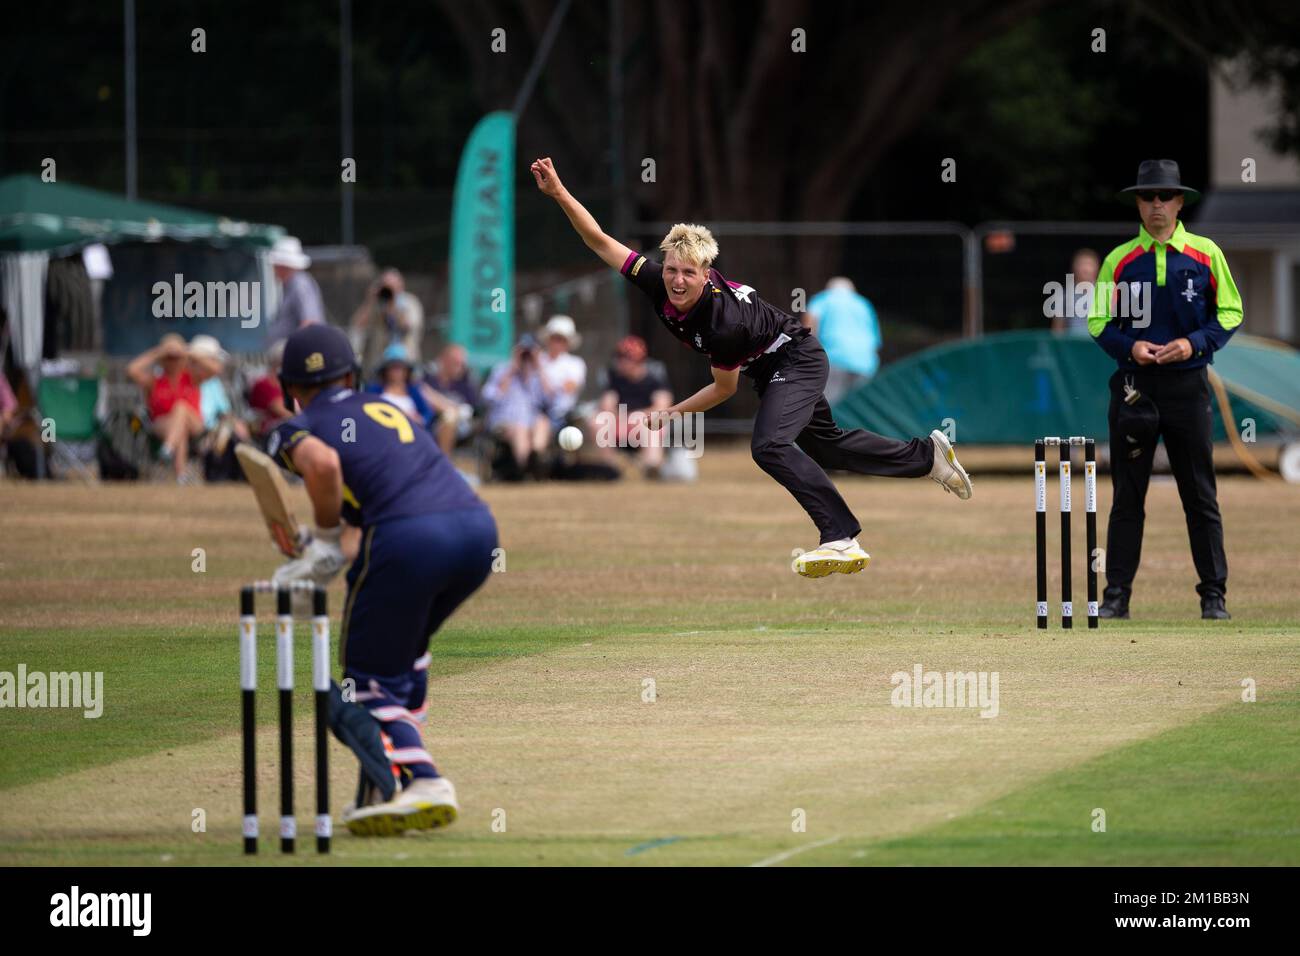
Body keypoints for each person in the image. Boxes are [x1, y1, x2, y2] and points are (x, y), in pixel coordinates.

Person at [532, 156, 972, 576]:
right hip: (773, 367)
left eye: (688, 273)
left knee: (768, 446)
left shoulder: (726, 324)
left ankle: (840, 535)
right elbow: (599, 240)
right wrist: (559, 193)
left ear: (707, 273)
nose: (677, 281)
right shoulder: (657, 281)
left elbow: (724, 389)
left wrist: (668, 414)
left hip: (796, 358)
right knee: (828, 447)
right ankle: (927, 459)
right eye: (670, 271)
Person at [268, 324, 498, 834]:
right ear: (351, 374)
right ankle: (382, 786)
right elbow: (371, 511)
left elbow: (323, 466)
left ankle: (423, 779)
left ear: (289, 390)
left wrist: (324, 538)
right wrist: (324, 549)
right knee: (406, 651)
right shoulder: (388, 409)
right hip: (476, 531)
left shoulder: (292, 427)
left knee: (363, 683)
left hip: (409, 538)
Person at [1089, 159, 1242, 620]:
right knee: (1127, 496)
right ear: (1138, 204)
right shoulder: (1119, 260)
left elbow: (1231, 312)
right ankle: (1117, 596)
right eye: (1147, 197)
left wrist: (1191, 344)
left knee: (1199, 494)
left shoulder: (1205, 252)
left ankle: (1213, 597)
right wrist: (1130, 346)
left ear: (1179, 203)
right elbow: (1097, 321)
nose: (1156, 205)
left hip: (1189, 386)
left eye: (1165, 197)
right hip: (1135, 388)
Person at [126, 333, 204, 483]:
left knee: (181, 407)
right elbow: (131, 370)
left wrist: (186, 351)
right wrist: (158, 352)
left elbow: (216, 369)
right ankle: (181, 476)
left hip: (194, 422)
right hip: (164, 424)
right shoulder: (154, 381)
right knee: (179, 428)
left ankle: (167, 449)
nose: (173, 362)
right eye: (169, 358)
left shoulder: (192, 377)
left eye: (176, 358)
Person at [596, 335, 672, 476]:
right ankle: (609, 469)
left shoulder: (654, 380)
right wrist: (622, 417)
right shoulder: (615, 379)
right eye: (619, 358)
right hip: (620, 424)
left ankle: (652, 468)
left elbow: (662, 407)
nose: (619, 362)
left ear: (638, 360)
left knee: (652, 423)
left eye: (624, 358)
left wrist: (638, 416)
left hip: (644, 424)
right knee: (599, 421)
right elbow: (607, 405)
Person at [481, 334, 551, 480]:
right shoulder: (502, 370)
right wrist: (513, 368)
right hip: (504, 423)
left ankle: (534, 459)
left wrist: (538, 368)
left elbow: (550, 399)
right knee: (520, 428)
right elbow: (490, 397)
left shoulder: (538, 374)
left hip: (531, 423)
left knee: (543, 422)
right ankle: (524, 468)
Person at [806, 277, 882, 405]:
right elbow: (875, 341)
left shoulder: (823, 299)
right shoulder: (864, 304)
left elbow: (808, 330)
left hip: (833, 359)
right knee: (854, 409)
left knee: (826, 407)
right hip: (865, 363)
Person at [350, 268, 425, 372]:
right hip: (380, 364)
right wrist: (370, 301)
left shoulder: (411, 303)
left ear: (401, 286)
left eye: (392, 286)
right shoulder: (377, 304)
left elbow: (407, 327)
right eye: (385, 285)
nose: (389, 289)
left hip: (406, 363)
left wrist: (392, 305)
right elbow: (358, 326)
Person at [422, 344, 479, 456]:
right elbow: (420, 393)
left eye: (462, 364)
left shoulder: (465, 384)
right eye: (456, 363)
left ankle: (443, 462)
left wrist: (439, 402)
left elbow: (467, 411)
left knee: (449, 417)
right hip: (429, 423)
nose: (460, 367)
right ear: (444, 360)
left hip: (459, 427)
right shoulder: (429, 379)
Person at [267, 237, 325, 344]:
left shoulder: (300, 284)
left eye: (275, 265)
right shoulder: (291, 285)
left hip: (296, 352)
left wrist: (294, 348)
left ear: (282, 266)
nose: (273, 269)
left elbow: (310, 323)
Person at [365, 343, 434, 429]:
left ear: (407, 370)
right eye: (393, 367)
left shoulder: (414, 390)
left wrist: (419, 420)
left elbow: (427, 414)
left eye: (401, 368)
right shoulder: (374, 389)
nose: (397, 372)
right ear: (385, 370)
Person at [537, 314, 587, 432]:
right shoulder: (538, 359)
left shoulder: (575, 363)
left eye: (561, 339)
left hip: (562, 416)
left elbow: (569, 388)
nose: (557, 343)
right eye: (554, 338)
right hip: (534, 413)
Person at [247, 339, 292, 442]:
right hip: (268, 437)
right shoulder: (264, 384)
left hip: (283, 433)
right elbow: (285, 412)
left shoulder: (287, 383)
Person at [1052, 249, 1100, 336]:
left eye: (1090, 264)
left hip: (1098, 347)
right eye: (1082, 264)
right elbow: (1057, 330)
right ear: (1074, 267)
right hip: (1073, 346)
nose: (1086, 269)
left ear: (1097, 267)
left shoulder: (1107, 295)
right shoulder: (1063, 296)